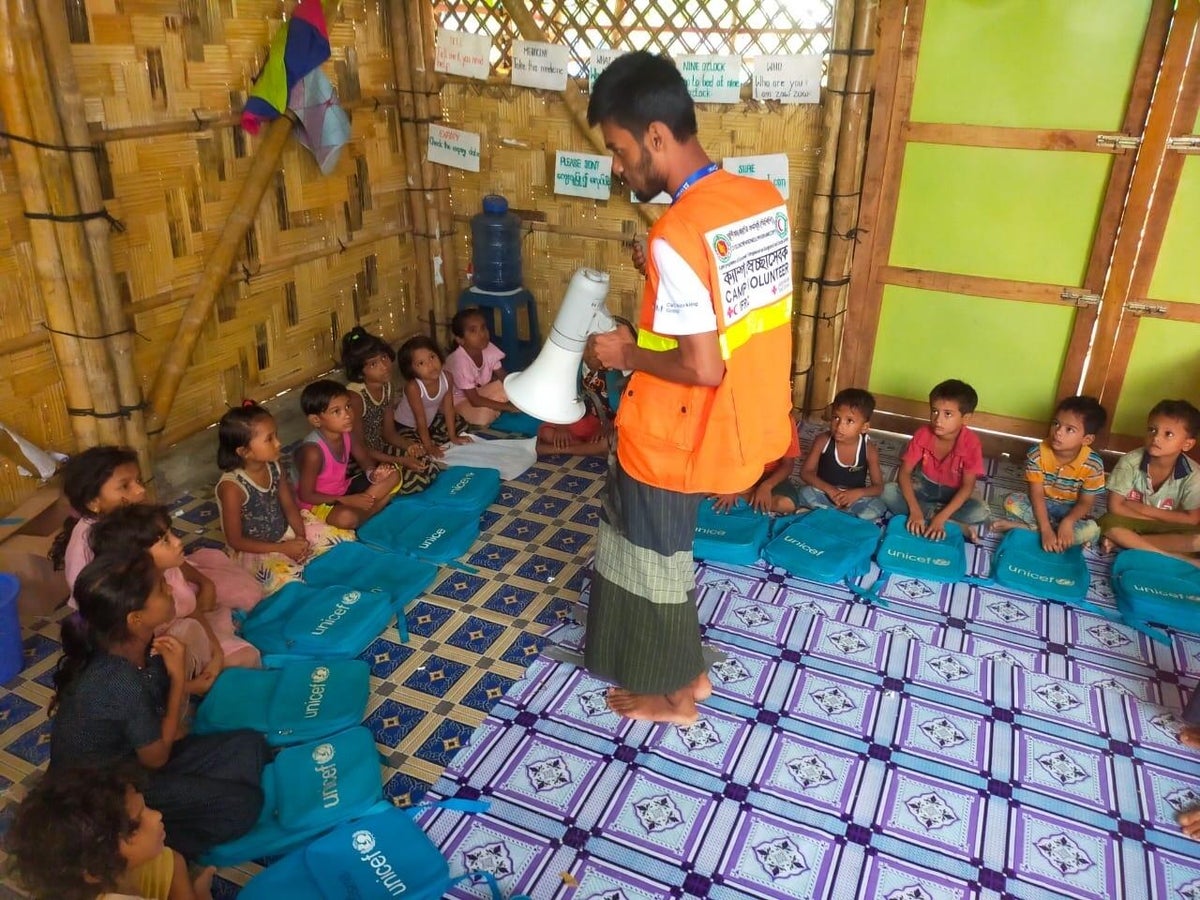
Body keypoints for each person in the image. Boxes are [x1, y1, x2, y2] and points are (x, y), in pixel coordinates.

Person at [583, 51, 794, 724]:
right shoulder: (758, 199)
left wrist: (625, 351)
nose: (618, 167)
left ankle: (679, 694)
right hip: (751, 417)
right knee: (658, 553)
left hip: (679, 435)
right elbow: (732, 314)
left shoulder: (679, 230)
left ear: (654, 136)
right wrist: (666, 273)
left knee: (653, 562)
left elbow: (702, 367)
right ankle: (683, 678)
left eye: (618, 149)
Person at [50, 553, 266, 860]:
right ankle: (139, 847)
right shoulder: (118, 679)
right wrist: (179, 679)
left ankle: (181, 807)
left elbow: (157, 729)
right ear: (135, 618)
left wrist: (180, 682)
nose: (170, 589)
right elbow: (157, 757)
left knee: (250, 746)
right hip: (110, 793)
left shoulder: (140, 648)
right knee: (243, 805)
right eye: (162, 589)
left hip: (132, 762)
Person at [50, 446, 262, 613]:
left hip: (168, 583)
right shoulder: (85, 543)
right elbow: (95, 605)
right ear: (93, 501)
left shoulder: (137, 516)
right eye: (125, 486)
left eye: (138, 480)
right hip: (136, 613)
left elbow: (172, 562)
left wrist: (203, 582)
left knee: (246, 592)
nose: (141, 490)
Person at [90, 504, 261, 676]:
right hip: (167, 663)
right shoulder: (138, 605)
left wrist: (216, 652)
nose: (178, 541)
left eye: (171, 533)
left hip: (193, 637)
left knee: (246, 655)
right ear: (137, 558)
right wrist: (191, 685)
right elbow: (149, 668)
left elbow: (193, 611)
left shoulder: (172, 571)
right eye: (165, 540)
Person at [5, 767, 215, 900]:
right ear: (95, 868)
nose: (157, 815)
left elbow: (173, 860)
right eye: (135, 825)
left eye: (146, 808)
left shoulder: (94, 872)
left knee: (173, 860)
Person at [214, 403, 353, 593]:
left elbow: (289, 505)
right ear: (244, 451)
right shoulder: (232, 487)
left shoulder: (273, 464)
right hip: (255, 549)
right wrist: (283, 549)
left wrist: (300, 539)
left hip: (285, 531)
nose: (278, 443)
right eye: (269, 439)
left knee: (342, 541)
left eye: (276, 435)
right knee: (288, 582)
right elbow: (235, 540)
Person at [993, 395, 1107, 551]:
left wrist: (1068, 522)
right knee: (1011, 502)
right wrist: (1046, 529)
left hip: (1069, 510)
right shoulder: (1037, 454)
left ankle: (1025, 528)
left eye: (1070, 429)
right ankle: (1048, 531)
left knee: (1092, 529)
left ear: (1086, 439)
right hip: (1042, 504)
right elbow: (1037, 494)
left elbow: (1086, 503)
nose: (1058, 432)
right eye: (1056, 424)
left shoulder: (1093, 464)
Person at [882, 378, 989, 541]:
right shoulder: (922, 434)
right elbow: (904, 473)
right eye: (934, 411)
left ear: (965, 418)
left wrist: (941, 518)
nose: (938, 419)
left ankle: (938, 517)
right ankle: (948, 521)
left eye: (948, 414)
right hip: (924, 487)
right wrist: (914, 510)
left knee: (980, 511)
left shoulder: (971, 443)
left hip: (954, 492)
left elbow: (967, 487)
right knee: (887, 491)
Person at [340, 327, 438, 494]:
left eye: (384, 357)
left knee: (426, 465)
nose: (384, 366)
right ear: (360, 371)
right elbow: (358, 448)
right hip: (358, 460)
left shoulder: (387, 386)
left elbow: (389, 433)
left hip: (379, 448)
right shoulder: (355, 398)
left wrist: (410, 446)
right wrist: (399, 459)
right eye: (373, 364)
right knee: (413, 479)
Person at [1100, 399, 1200, 559]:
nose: (1156, 438)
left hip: (1167, 528)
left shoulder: (1193, 474)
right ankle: (1179, 559)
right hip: (1131, 521)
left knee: (1198, 539)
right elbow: (1115, 507)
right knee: (1107, 523)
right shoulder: (1129, 462)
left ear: (1187, 444)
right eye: (1152, 430)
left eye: (1168, 434)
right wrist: (1150, 521)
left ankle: (1127, 543)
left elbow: (1192, 519)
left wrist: (1143, 509)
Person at [295, 379, 400, 529]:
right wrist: (347, 500)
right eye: (336, 411)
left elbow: (364, 458)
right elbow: (305, 495)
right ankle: (375, 508)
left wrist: (373, 474)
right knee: (346, 518)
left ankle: (365, 510)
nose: (347, 415)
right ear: (316, 420)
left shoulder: (346, 434)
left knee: (393, 474)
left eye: (348, 406)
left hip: (343, 490)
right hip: (319, 503)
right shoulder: (313, 451)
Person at [536, 317, 636, 459]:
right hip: (579, 419)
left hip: (607, 424)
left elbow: (627, 410)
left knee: (613, 443)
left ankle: (557, 449)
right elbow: (561, 397)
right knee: (547, 432)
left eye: (594, 349)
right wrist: (562, 427)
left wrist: (609, 425)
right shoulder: (574, 366)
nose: (589, 354)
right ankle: (586, 448)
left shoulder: (619, 371)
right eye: (587, 348)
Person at [796, 388, 887, 520]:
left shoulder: (869, 449)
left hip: (854, 499)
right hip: (825, 493)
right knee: (804, 492)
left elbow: (878, 487)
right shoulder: (823, 440)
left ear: (864, 427)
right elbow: (806, 472)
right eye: (836, 417)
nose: (839, 426)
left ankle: (826, 515)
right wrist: (831, 491)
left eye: (849, 421)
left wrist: (856, 493)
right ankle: (844, 518)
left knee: (877, 507)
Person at [395, 335, 471, 458]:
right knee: (416, 449)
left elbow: (449, 408)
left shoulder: (447, 377)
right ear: (410, 370)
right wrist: (429, 446)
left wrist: (453, 437)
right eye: (421, 363)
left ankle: (432, 440)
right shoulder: (413, 387)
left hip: (429, 422)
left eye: (432, 357)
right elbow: (420, 418)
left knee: (461, 423)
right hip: (407, 426)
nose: (430, 364)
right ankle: (428, 442)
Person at [712, 411, 802, 514]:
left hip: (770, 476)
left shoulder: (785, 420)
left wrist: (766, 486)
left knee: (786, 504)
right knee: (698, 492)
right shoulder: (737, 413)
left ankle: (745, 499)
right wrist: (731, 487)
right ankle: (751, 500)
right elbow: (723, 455)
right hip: (737, 473)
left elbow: (788, 465)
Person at [444, 308, 521, 427]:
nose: (482, 334)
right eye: (473, 331)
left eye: (483, 328)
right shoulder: (460, 362)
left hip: (478, 392)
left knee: (510, 384)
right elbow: (474, 400)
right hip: (458, 402)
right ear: (460, 340)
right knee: (483, 416)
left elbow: (503, 377)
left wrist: (521, 395)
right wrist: (508, 407)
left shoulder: (488, 348)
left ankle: (497, 408)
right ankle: (497, 409)